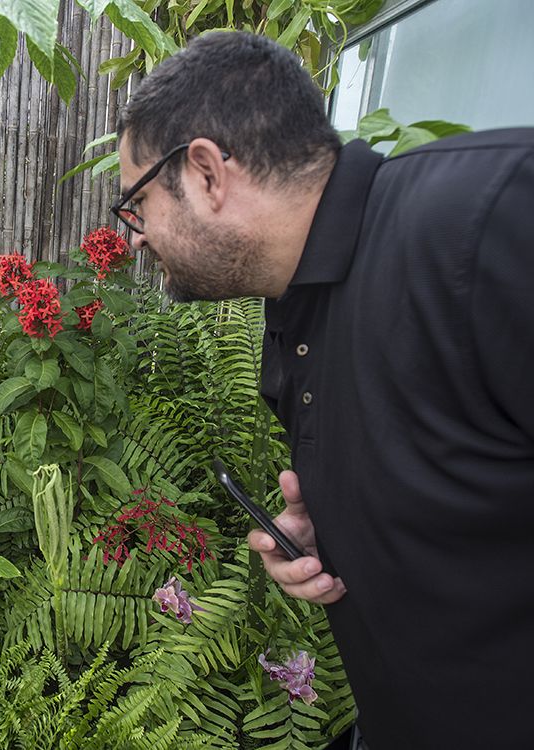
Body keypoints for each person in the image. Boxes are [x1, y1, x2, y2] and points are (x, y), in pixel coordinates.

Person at [113, 30, 534, 750]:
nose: (134, 238)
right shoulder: (295, 307)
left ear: (206, 172)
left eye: (136, 204)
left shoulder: (489, 218)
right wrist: (338, 528)